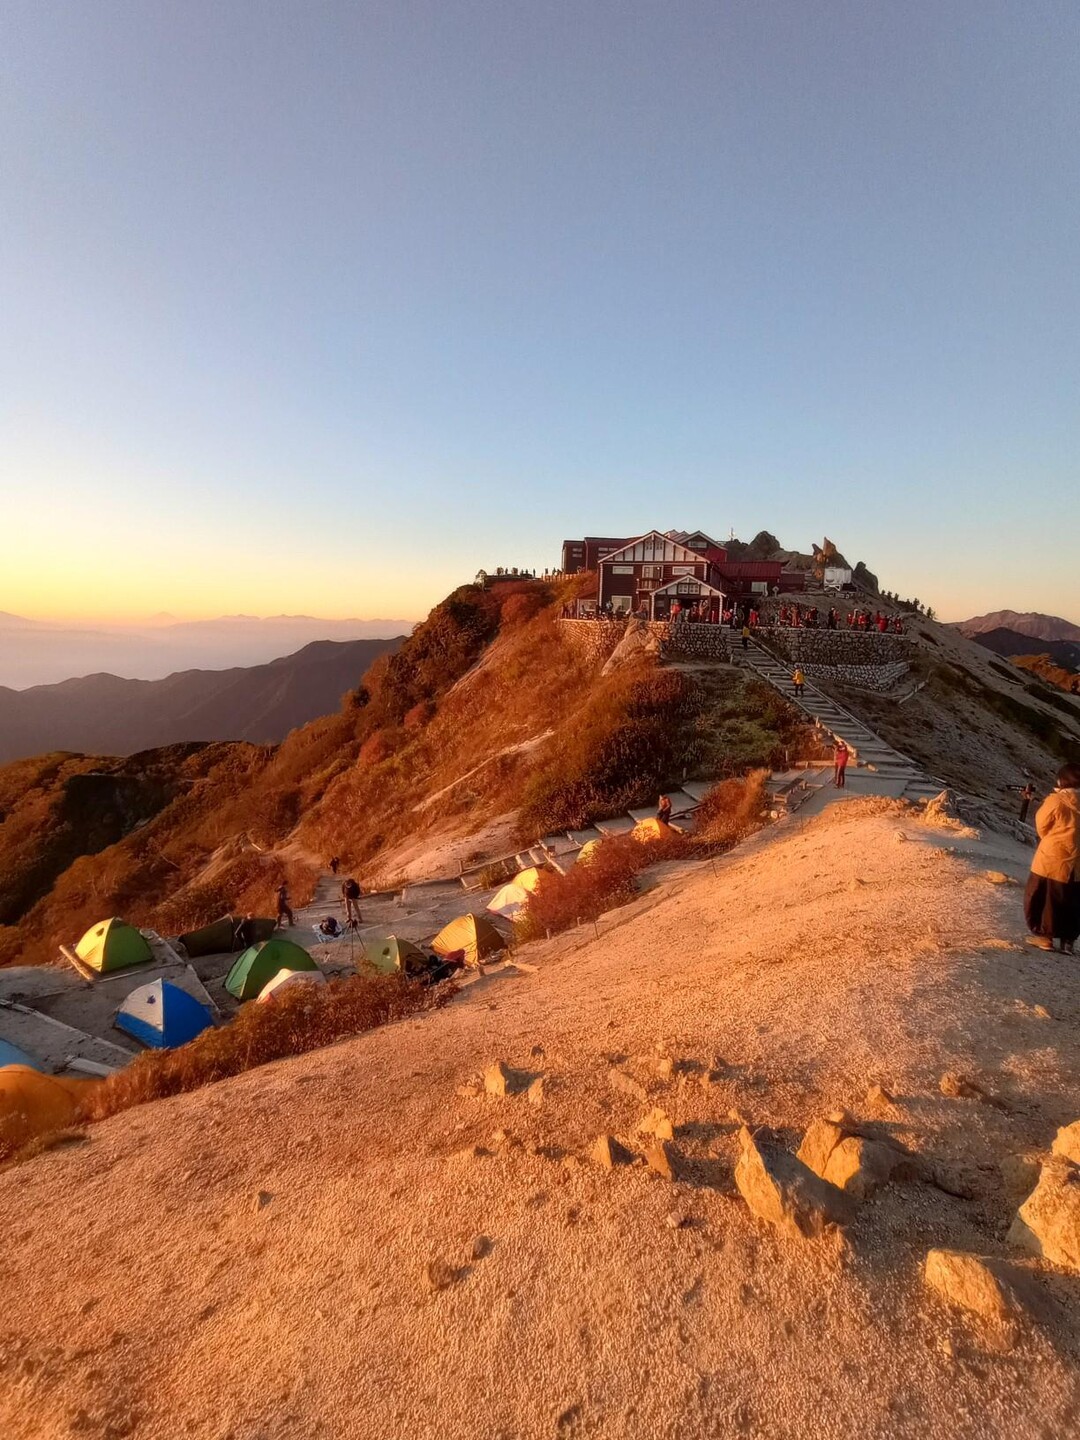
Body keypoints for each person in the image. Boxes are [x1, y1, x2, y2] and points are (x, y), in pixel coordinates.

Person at [1024, 765, 1080, 953]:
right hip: (1077, 864)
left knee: (1044, 898)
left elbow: (1042, 825)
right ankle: (1068, 943)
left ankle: (1045, 938)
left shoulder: (1056, 800)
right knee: (1072, 901)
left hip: (1052, 859)